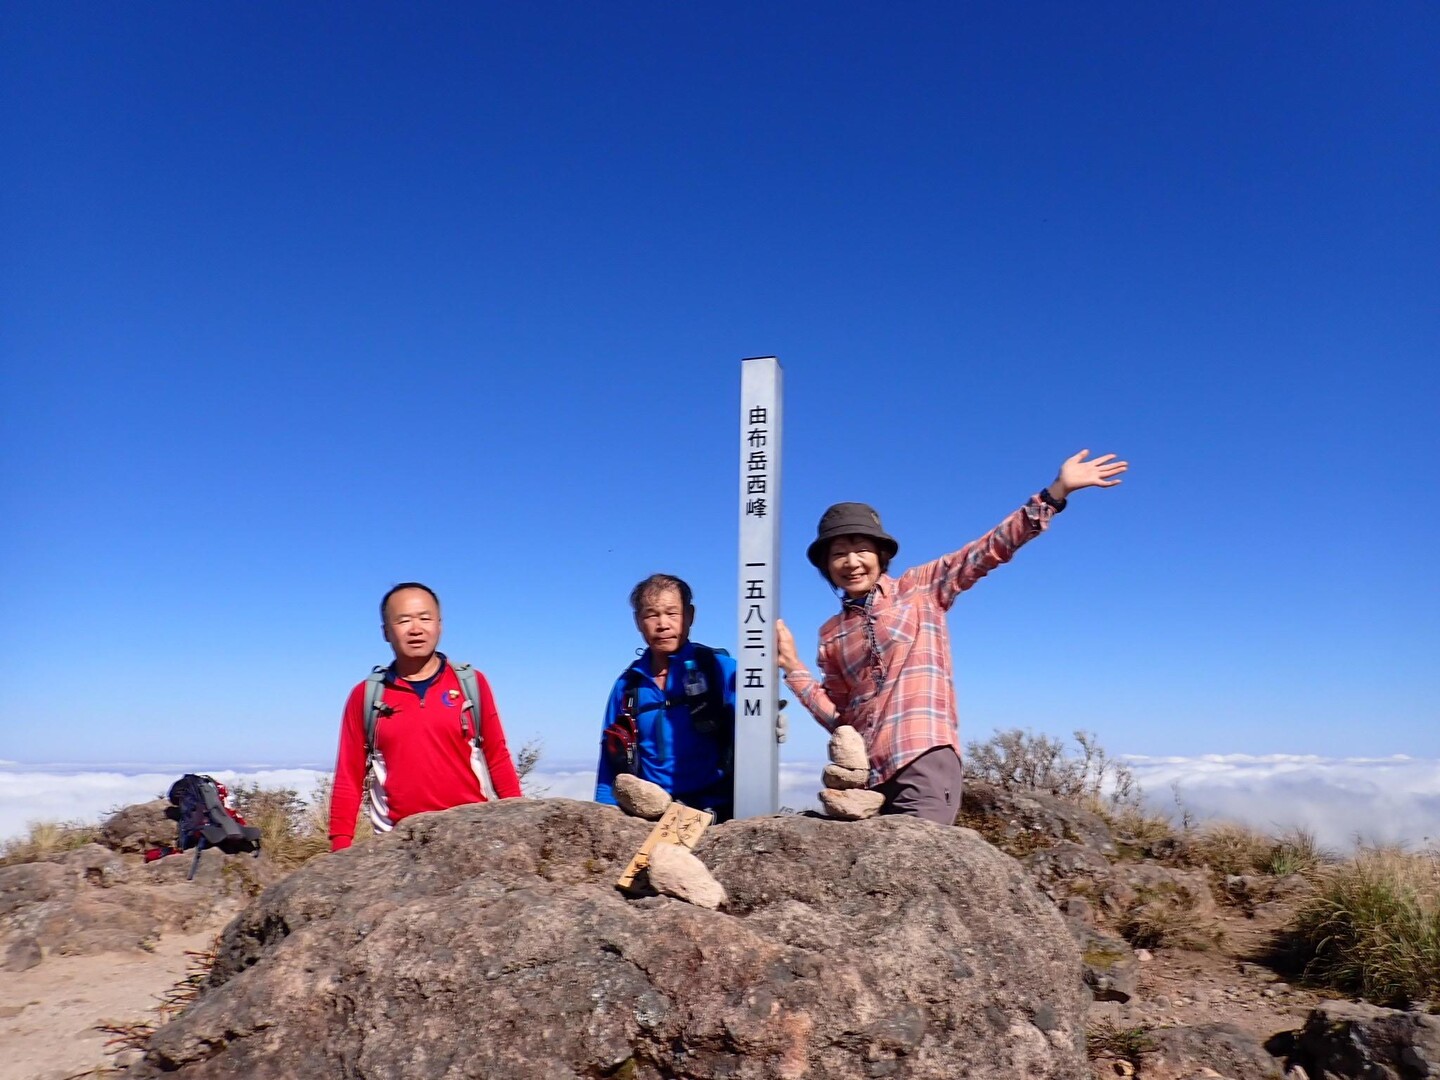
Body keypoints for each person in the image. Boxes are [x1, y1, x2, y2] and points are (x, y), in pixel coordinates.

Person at [775, 450, 1128, 825]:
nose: (851, 562)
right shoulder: (831, 633)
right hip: (867, 777)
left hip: (923, 754)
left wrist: (1055, 493)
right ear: (827, 566)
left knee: (923, 869)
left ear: (880, 555)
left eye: (861, 549)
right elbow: (841, 719)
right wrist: (794, 669)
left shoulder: (920, 588)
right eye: (839, 554)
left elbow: (987, 550)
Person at [328, 582, 522, 851]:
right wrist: (340, 846)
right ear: (386, 632)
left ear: (439, 625)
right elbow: (348, 776)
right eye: (404, 620)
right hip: (397, 842)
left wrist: (520, 820)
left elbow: (497, 756)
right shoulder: (367, 696)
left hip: (472, 833)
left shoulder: (471, 683)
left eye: (425, 618)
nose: (416, 629)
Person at [595, 573, 738, 821]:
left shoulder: (720, 669)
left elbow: (754, 728)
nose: (663, 624)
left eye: (673, 613)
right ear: (638, 621)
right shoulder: (628, 684)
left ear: (690, 616)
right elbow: (611, 755)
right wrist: (604, 814)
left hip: (717, 810)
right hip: (649, 813)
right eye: (652, 614)